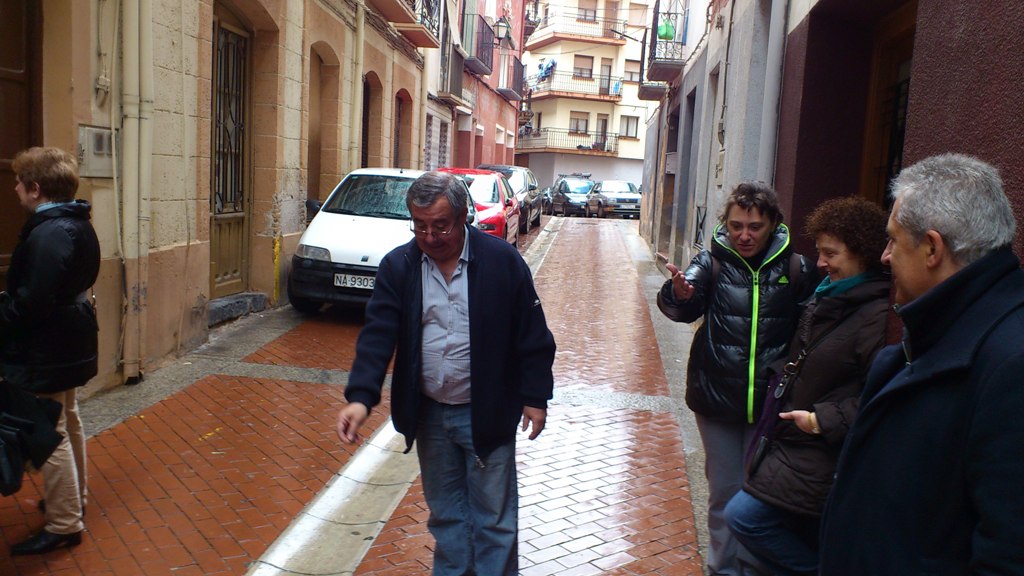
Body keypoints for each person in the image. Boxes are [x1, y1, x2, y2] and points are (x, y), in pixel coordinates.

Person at [336, 171, 556, 575]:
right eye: (420, 226)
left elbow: (532, 334)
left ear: (463, 218)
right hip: (430, 414)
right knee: (447, 517)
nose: (430, 236)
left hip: (487, 411)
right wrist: (360, 397)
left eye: (441, 225)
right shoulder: (399, 266)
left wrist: (535, 396)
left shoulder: (501, 262)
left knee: (494, 521)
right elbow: (378, 336)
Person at [819, 153, 1024, 574]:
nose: (885, 256)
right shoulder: (940, 333)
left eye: (893, 240)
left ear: (932, 247)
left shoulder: (1010, 364)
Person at [723, 197, 890, 575]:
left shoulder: (875, 315)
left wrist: (819, 420)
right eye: (819, 252)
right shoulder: (827, 296)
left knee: (745, 517)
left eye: (831, 254)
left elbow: (879, 397)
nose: (821, 263)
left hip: (819, 449)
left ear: (863, 253)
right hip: (788, 441)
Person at [657, 181, 816, 576]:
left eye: (755, 226)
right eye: (736, 225)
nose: (744, 235)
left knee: (761, 498)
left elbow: (814, 326)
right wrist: (678, 293)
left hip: (772, 404)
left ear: (774, 224)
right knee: (725, 494)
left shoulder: (796, 268)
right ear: (725, 223)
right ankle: (722, 570)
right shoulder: (713, 262)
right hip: (717, 401)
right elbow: (683, 305)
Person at [1, 147, 100, 554]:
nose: (15, 189)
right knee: (68, 416)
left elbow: (32, 302)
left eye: (20, 183)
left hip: (48, 346)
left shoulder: (49, 233)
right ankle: (74, 498)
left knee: (48, 430)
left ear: (35, 189)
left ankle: (64, 523)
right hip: (69, 338)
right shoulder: (76, 223)